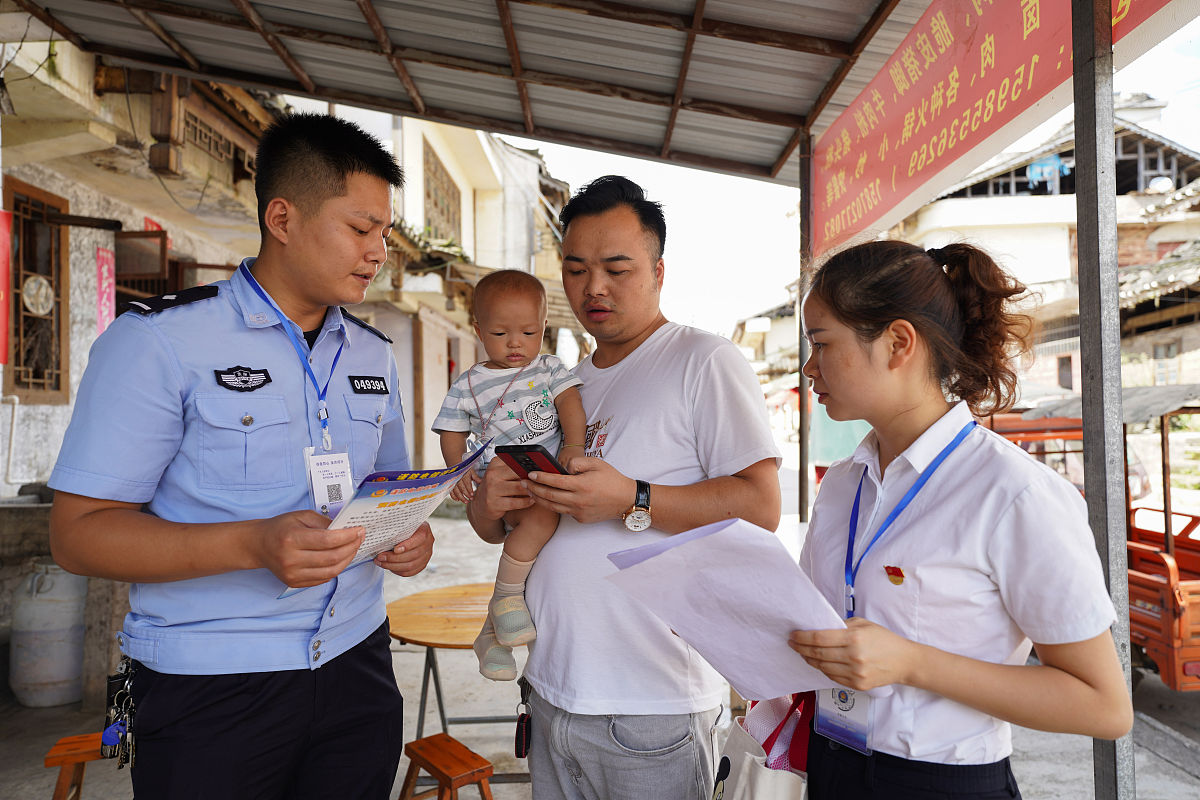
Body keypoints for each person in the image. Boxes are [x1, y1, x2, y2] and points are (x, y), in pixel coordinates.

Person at [47, 113, 434, 800]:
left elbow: (389, 490)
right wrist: (256, 542)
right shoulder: (162, 342)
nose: (379, 252)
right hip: (211, 685)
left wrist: (410, 535)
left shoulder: (373, 353)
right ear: (282, 218)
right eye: (359, 228)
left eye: (384, 233)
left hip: (358, 667)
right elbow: (79, 535)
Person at [468, 175, 782, 799]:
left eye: (616, 267)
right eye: (576, 269)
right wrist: (489, 502)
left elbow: (761, 505)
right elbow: (504, 527)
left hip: (651, 707)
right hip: (552, 692)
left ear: (659, 270)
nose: (594, 287)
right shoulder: (564, 383)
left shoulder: (702, 360)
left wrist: (634, 498)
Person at [789, 240, 1133, 799]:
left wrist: (911, 663)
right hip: (831, 763)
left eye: (821, 344)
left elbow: (1103, 706)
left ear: (898, 343)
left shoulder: (1014, 493)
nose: (810, 368)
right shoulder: (844, 483)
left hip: (943, 784)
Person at [433, 268, 586, 681]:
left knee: (539, 525)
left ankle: (493, 635)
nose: (516, 343)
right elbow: (452, 430)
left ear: (544, 328)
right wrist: (456, 471)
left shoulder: (550, 368)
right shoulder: (468, 383)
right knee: (540, 522)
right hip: (499, 483)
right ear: (479, 330)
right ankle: (505, 601)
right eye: (501, 334)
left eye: (528, 332)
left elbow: (571, 405)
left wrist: (573, 445)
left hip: (541, 476)